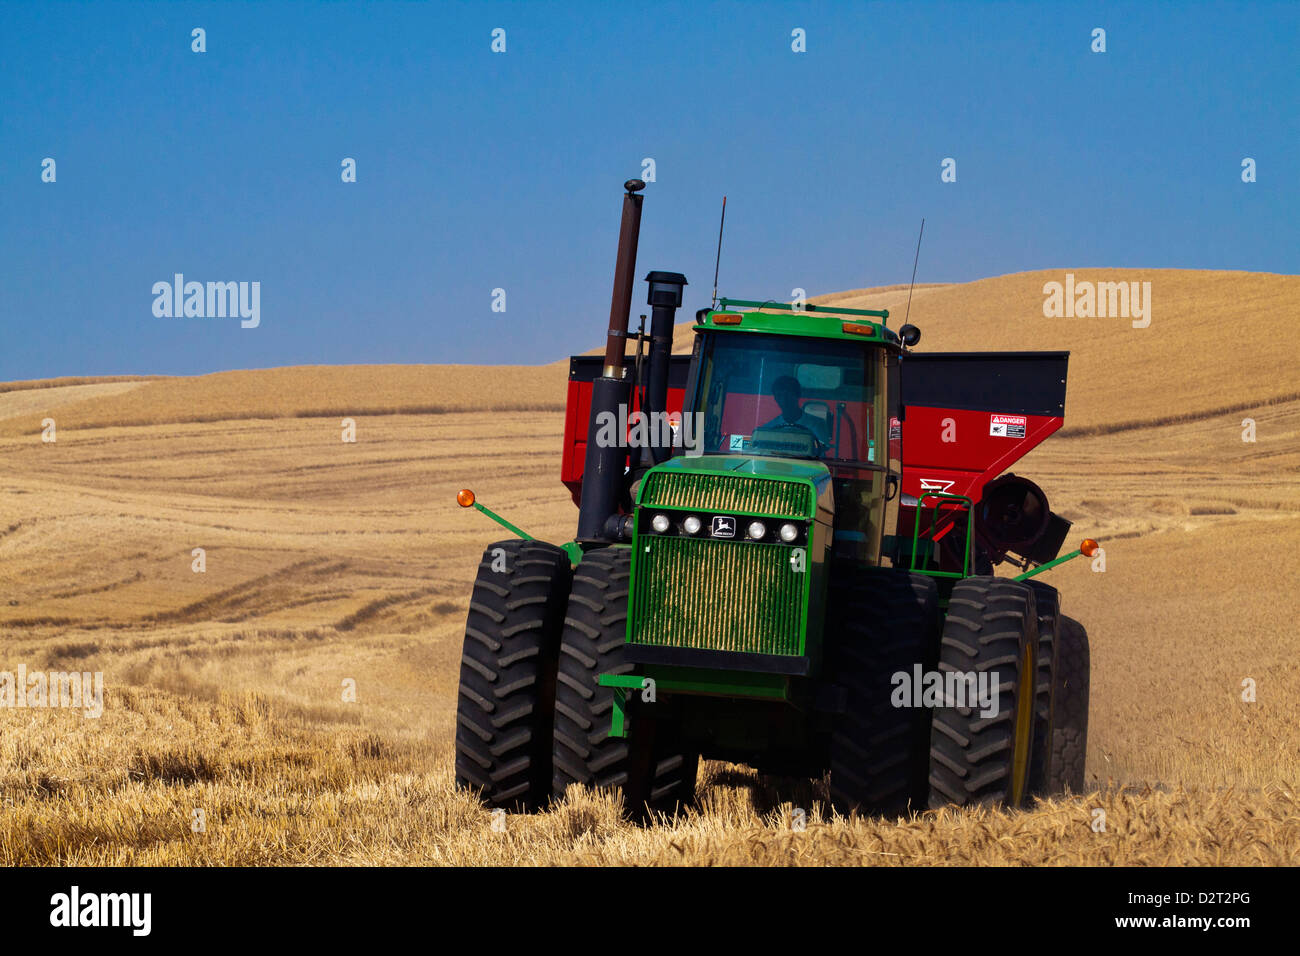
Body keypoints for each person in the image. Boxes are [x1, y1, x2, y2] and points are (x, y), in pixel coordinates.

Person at [760, 375, 831, 447]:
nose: (784, 400)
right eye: (779, 395)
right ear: (775, 399)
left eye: (788, 395)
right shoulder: (769, 428)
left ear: (797, 395)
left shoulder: (817, 425)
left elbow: (821, 453)